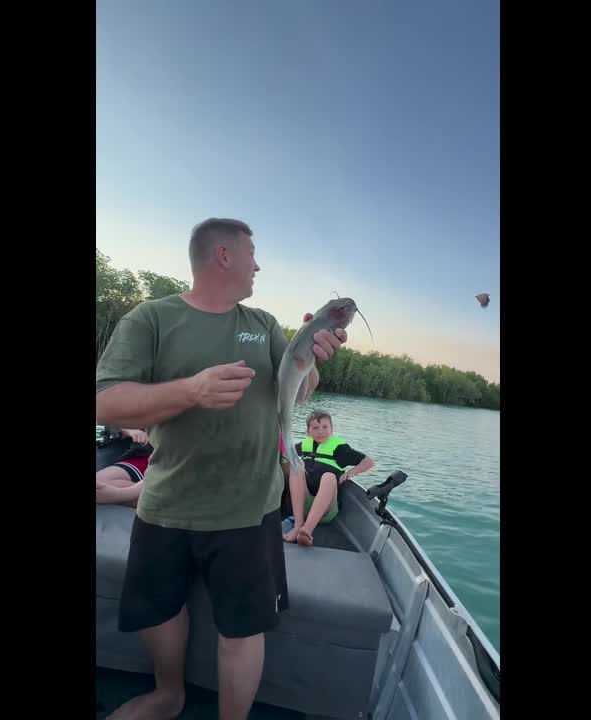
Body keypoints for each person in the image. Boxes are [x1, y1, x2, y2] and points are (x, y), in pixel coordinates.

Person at [95, 217, 347, 720]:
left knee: (242, 629)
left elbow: (297, 391)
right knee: (160, 610)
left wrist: (312, 360)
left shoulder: (264, 324)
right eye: (252, 253)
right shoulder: (151, 319)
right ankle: (168, 696)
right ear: (224, 256)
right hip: (165, 503)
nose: (259, 265)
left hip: (249, 508)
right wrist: (192, 390)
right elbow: (106, 401)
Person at [283, 410, 376, 546]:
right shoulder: (304, 446)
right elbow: (284, 455)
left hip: (326, 510)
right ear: (308, 432)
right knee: (296, 465)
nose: (320, 431)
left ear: (332, 429)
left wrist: (351, 472)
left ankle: (306, 530)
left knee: (329, 477)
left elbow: (369, 462)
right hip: (302, 506)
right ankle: (298, 525)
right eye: (315, 428)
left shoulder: (340, 449)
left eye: (325, 427)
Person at [96, 428, 151, 507]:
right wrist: (129, 431)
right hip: (139, 455)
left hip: (161, 459)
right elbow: (104, 428)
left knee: (100, 488)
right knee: (99, 482)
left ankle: (155, 499)